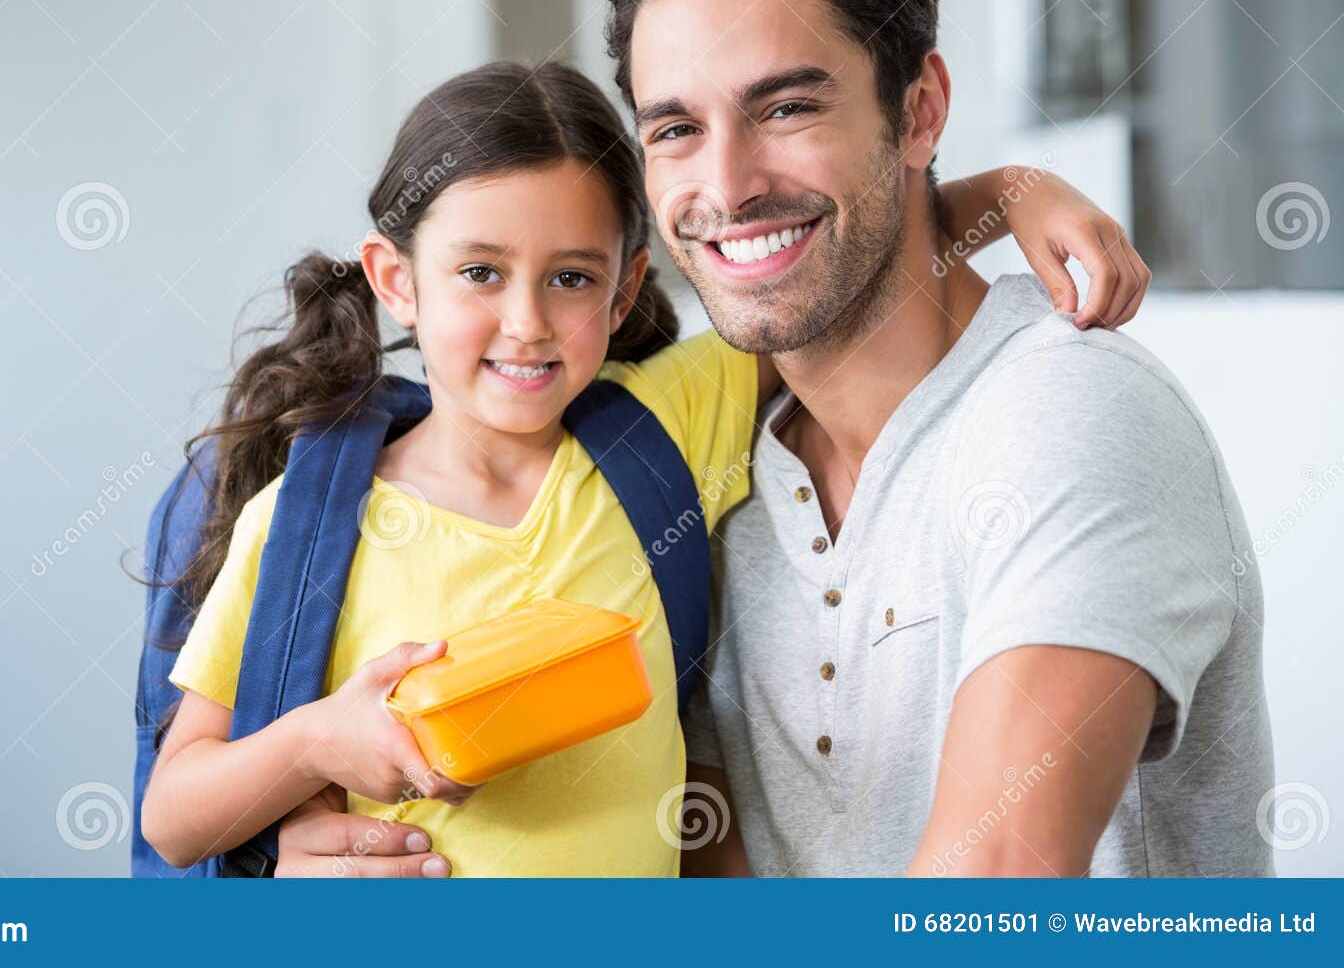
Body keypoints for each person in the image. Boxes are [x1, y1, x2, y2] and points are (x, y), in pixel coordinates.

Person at [139, 56, 1145, 877]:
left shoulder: (663, 430)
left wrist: (1006, 190)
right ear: (397, 280)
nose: (526, 321)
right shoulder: (305, 523)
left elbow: (844, 271)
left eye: (570, 277)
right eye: (479, 272)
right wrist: (316, 740)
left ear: (622, 297)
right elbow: (173, 816)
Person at [603, 0, 1273, 876]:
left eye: (785, 106)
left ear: (919, 114)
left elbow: (993, 886)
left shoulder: (1068, 410)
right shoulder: (703, 445)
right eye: (676, 130)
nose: (728, 185)